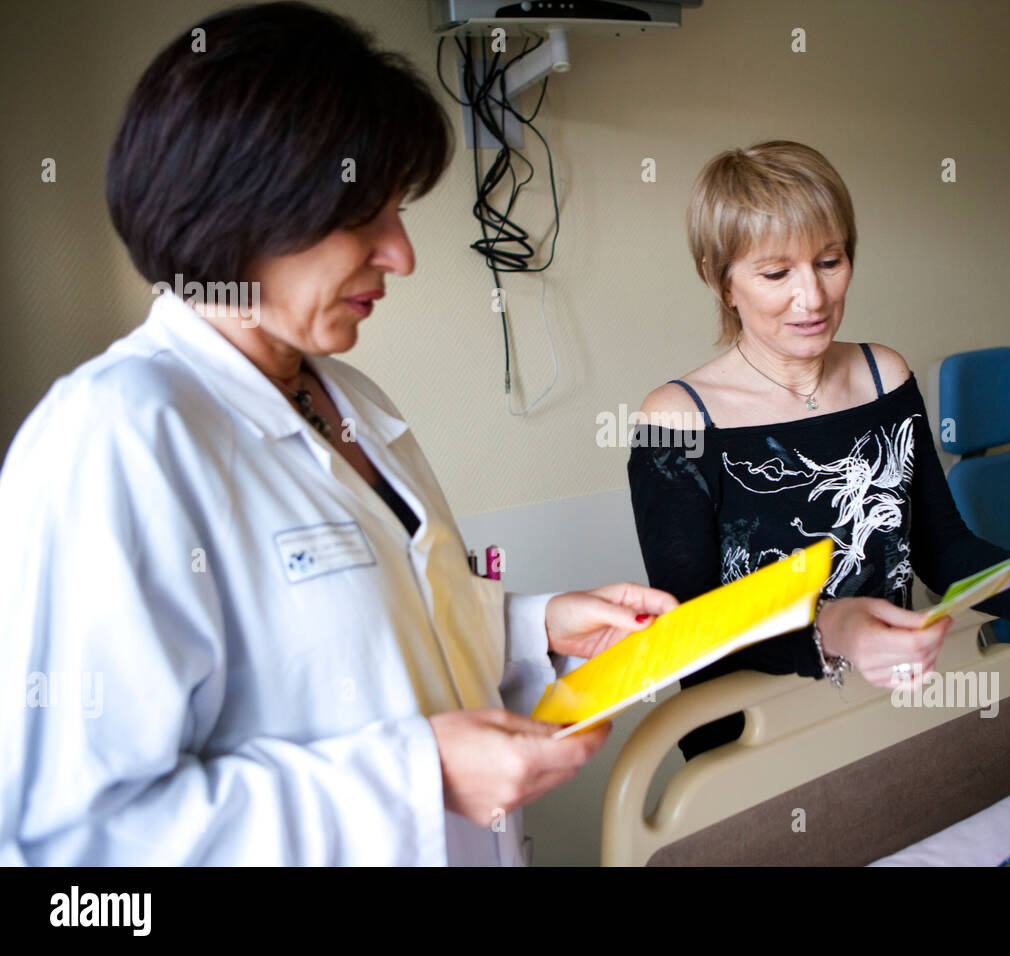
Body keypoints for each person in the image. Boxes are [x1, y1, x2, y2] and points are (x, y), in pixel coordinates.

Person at [0, 1, 676, 866]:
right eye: (366, 219)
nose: (402, 255)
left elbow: (361, 644)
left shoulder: (344, 395)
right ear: (238, 210)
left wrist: (535, 628)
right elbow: (78, 843)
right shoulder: (118, 437)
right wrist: (413, 777)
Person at [627, 140, 1010, 760]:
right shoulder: (676, 418)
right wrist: (833, 627)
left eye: (830, 261)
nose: (814, 298)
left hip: (884, 712)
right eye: (776, 274)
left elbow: (944, 551)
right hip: (753, 746)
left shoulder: (885, 377)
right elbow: (691, 627)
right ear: (723, 282)